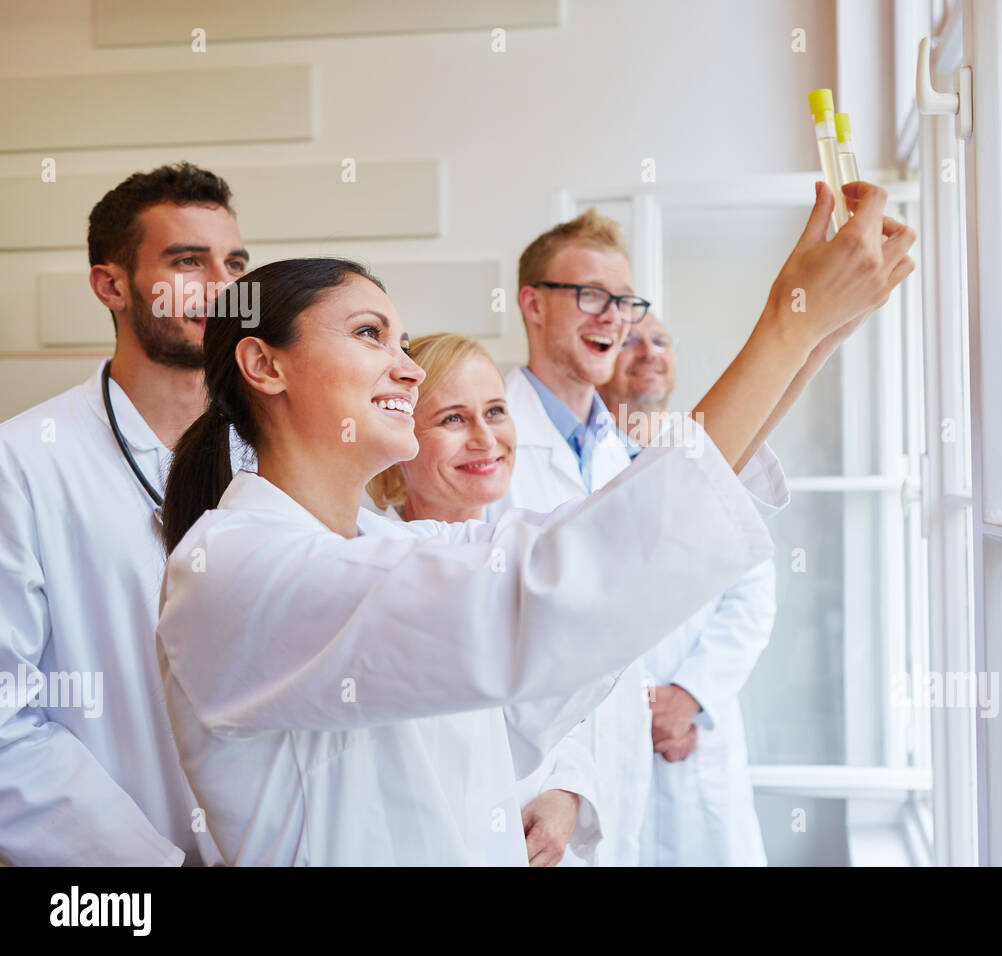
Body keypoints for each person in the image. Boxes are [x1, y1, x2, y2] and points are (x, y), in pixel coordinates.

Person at [156, 179, 914, 865]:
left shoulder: (400, 543)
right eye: (368, 335)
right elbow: (552, 589)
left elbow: (559, 647)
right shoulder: (234, 573)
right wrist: (788, 322)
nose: (409, 368)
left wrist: (816, 335)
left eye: (401, 341)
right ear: (265, 366)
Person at [486, 189, 914, 864]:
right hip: (532, 790)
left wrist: (824, 326)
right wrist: (800, 319)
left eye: (625, 302)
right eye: (590, 295)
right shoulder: (490, 436)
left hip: (616, 776)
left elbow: (707, 500)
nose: (617, 320)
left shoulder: (612, 449)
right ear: (533, 304)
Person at [0, 163, 249, 866]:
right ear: (112, 285)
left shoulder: (280, 453)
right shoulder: (22, 464)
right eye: (187, 262)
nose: (224, 288)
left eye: (234, 263)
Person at [367, 333, 602, 867]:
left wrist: (566, 792)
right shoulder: (372, 568)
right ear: (399, 438)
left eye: (495, 411)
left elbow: (570, 708)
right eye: (452, 419)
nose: (485, 438)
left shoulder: (527, 551)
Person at [598, 314, 774, 866]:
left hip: (697, 732)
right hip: (607, 727)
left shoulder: (708, 459)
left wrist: (688, 697)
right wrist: (639, 705)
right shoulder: (581, 465)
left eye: (659, 340)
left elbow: (751, 593)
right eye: (628, 341)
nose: (647, 351)